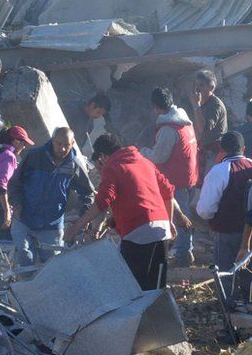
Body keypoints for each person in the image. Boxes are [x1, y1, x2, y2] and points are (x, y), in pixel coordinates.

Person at [65, 134, 178, 291]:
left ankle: (137, 315)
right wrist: (169, 220)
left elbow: (103, 200)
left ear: (103, 156)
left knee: (130, 286)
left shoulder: (112, 167)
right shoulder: (144, 162)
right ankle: (161, 314)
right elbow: (167, 192)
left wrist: (75, 228)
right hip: (162, 229)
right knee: (157, 286)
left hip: (139, 233)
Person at [8, 127, 95, 267]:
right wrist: (16, 203)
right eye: (59, 144)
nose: (62, 149)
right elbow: (14, 183)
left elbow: (88, 192)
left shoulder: (74, 165)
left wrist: (83, 215)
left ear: (72, 144)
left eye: (66, 145)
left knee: (51, 265)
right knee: (24, 259)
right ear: (53, 141)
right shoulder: (34, 157)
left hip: (52, 225)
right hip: (24, 219)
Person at [142, 87, 200, 266]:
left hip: (176, 180)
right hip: (190, 176)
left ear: (155, 107)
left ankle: (183, 254)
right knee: (184, 214)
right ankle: (185, 249)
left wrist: (142, 151)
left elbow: (159, 157)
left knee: (180, 216)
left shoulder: (168, 129)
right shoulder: (185, 121)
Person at [196, 131, 252, 301]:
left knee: (226, 274)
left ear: (222, 149)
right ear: (243, 148)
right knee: (248, 272)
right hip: (249, 233)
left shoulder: (219, 171)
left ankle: (230, 311)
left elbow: (205, 209)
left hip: (227, 232)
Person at [0, 126, 34, 236]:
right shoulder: (9, 156)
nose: (24, 147)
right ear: (16, 141)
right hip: (2, 210)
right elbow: (0, 183)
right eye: (23, 143)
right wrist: (7, 212)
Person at [191, 69, 228, 175]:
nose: (197, 88)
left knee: (209, 182)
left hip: (214, 153)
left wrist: (196, 106)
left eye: (201, 85)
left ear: (211, 87)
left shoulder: (215, 106)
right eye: (196, 85)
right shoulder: (202, 104)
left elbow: (203, 128)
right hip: (203, 151)